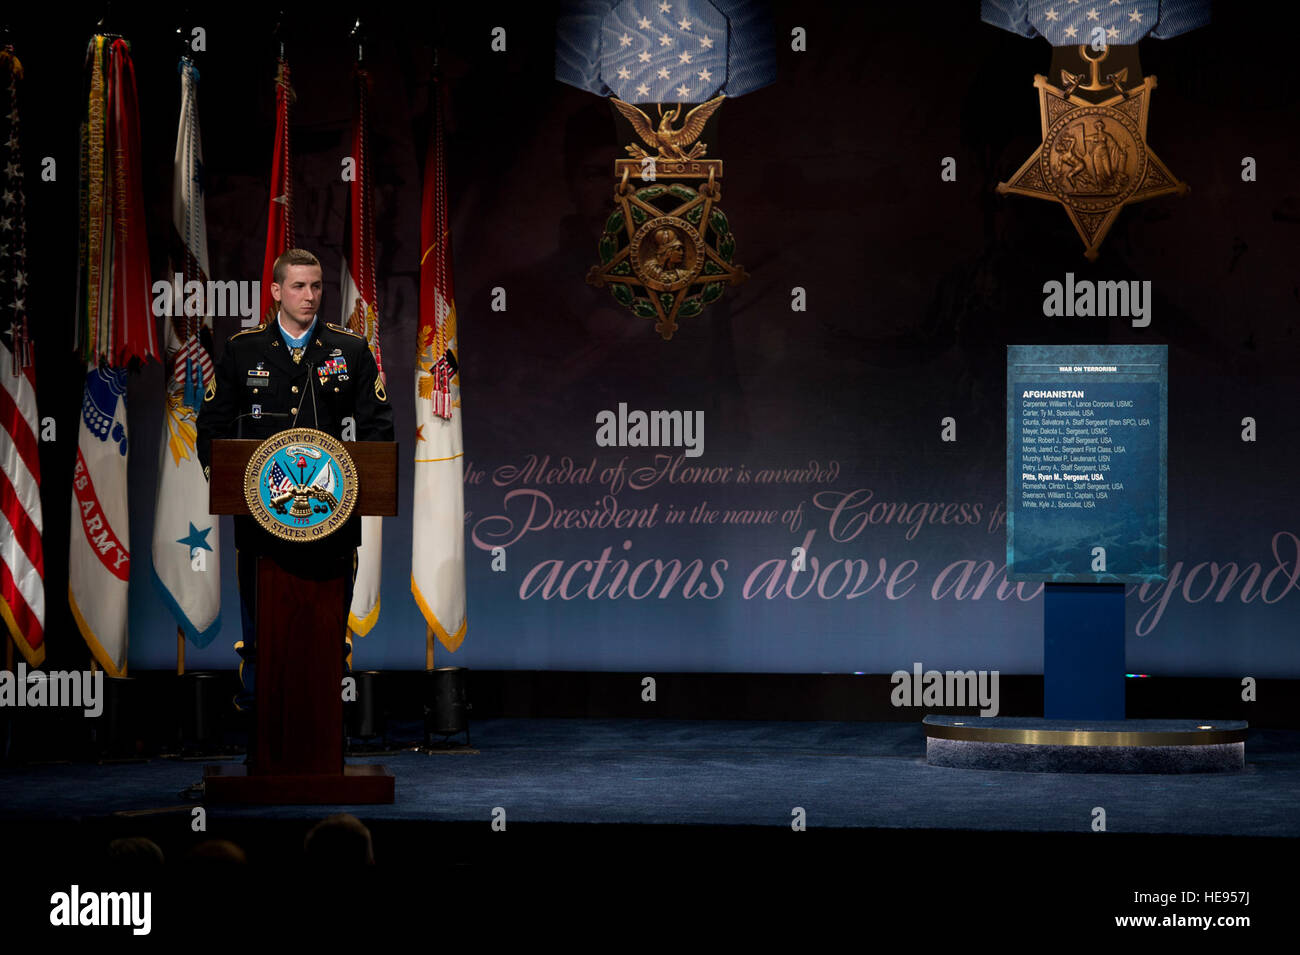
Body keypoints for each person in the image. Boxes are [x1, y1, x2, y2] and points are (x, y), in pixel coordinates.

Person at [196, 248, 394, 714]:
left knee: (325, 640)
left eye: (317, 286)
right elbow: (212, 426)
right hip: (262, 523)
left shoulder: (350, 349)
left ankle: (325, 744)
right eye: (299, 286)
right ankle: (263, 740)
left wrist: (360, 490)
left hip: (333, 520)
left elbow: (378, 429)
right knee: (264, 637)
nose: (310, 296)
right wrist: (225, 481)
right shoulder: (243, 350)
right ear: (276, 292)